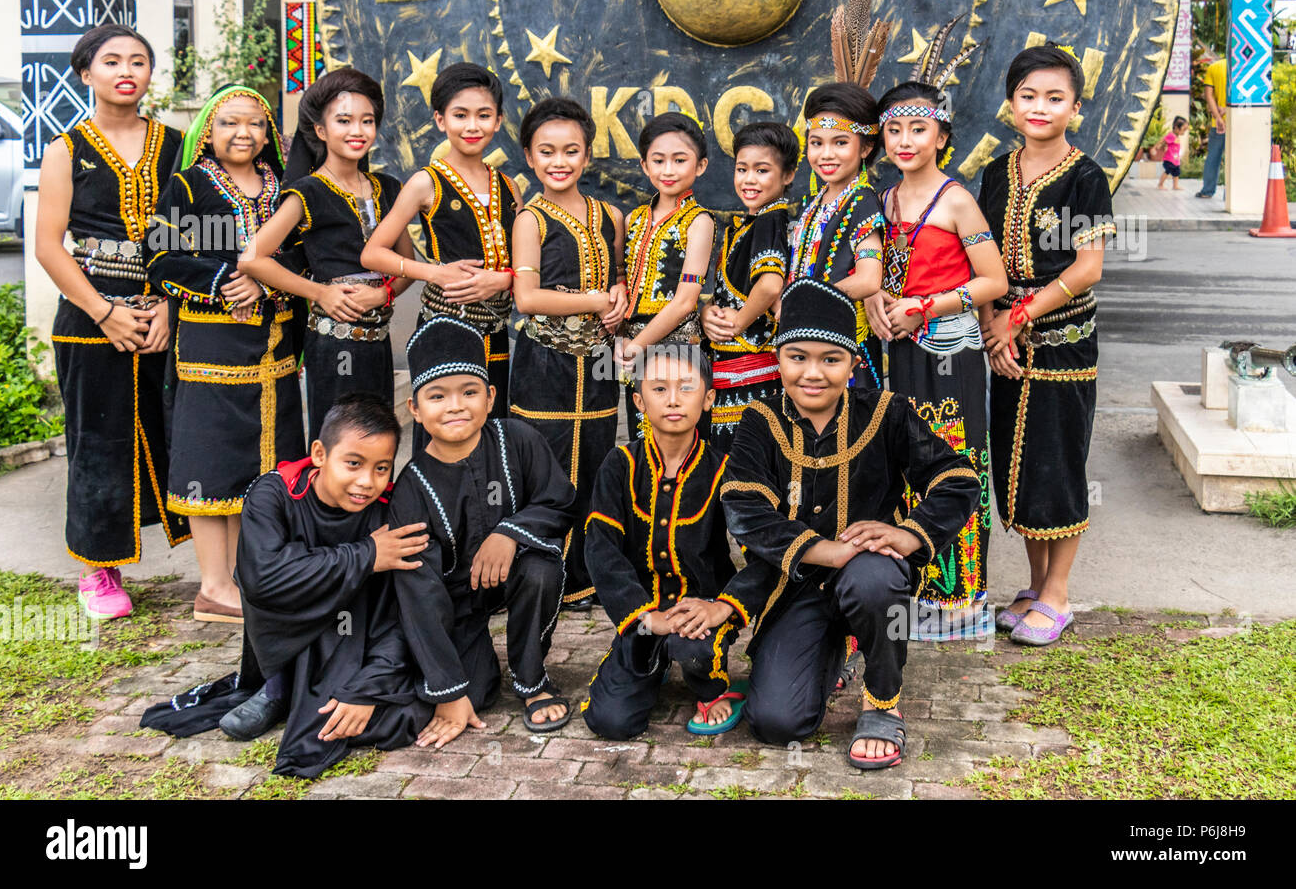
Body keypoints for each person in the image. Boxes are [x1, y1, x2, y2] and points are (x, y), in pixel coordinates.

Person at [685, 280, 979, 769]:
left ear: (851, 363)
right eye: (797, 357)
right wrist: (829, 552)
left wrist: (909, 534)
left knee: (875, 577)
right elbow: (745, 509)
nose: (812, 374)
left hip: (871, 579)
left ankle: (882, 702)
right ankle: (833, 651)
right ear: (778, 358)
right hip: (795, 584)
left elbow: (958, 478)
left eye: (831, 359)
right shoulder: (760, 419)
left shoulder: (887, 413)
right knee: (777, 723)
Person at [141, 393, 436, 778]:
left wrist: (370, 687)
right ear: (318, 454)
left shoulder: (390, 509)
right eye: (353, 463)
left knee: (406, 706)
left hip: (361, 637)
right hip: (284, 627)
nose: (367, 482)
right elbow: (263, 579)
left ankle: (297, 693)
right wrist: (365, 555)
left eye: (382, 468)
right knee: (283, 575)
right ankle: (280, 684)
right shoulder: (273, 493)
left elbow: (411, 607)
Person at [33, 24, 190, 619]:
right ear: (85, 73)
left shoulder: (178, 146)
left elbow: (194, 235)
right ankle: (98, 571)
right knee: (98, 442)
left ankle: (213, 565)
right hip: (89, 316)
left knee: (179, 433)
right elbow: (50, 247)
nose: (127, 69)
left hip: (165, 314)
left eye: (140, 60)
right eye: (112, 60)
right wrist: (104, 313)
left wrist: (172, 305)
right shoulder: (66, 150)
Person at [144, 84, 305, 623]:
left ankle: (245, 579)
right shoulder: (187, 186)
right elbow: (163, 258)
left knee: (261, 464)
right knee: (211, 461)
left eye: (256, 124)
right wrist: (226, 282)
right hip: (210, 347)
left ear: (270, 135)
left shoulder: (285, 188)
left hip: (273, 347)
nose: (243, 134)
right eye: (230, 123)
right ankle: (213, 585)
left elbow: (304, 257)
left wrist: (268, 285)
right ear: (207, 132)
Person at [979, 43, 1115, 646]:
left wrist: (1020, 314)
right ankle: (1034, 585)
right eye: (1028, 96)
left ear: (1074, 107)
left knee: (1058, 465)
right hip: (1006, 342)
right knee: (1019, 466)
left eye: (1054, 98)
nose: (1040, 107)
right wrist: (991, 327)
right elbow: (976, 258)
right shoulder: (994, 174)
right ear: (1011, 103)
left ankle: (1059, 593)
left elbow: (1088, 268)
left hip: (1062, 344)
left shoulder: (1086, 177)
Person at [388, 316, 578, 746]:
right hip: (454, 601)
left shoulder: (518, 439)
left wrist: (509, 532)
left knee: (542, 570)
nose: (455, 406)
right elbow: (419, 592)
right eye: (437, 396)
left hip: (515, 575)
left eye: (469, 392)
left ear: (490, 397)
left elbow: (559, 500)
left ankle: (531, 677)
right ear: (415, 410)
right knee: (474, 694)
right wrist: (448, 690)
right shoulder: (411, 489)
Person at [868, 78, 1007, 638]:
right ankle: (916, 589)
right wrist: (879, 301)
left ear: (942, 135)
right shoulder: (885, 199)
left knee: (954, 462)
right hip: (900, 350)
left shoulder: (957, 200)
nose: (905, 141)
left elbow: (992, 280)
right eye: (894, 130)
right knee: (908, 462)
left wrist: (924, 306)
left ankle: (962, 601)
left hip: (950, 352)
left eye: (918, 129)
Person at [238, 68, 416, 442]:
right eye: (344, 120)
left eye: (367, 121)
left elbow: (406, 265)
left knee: (380, 438)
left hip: (377, 338)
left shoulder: (388, 188)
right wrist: (320, 293)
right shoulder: (308, 192)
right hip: (334, 340)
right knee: (341, 441)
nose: (358, 130)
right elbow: (253, 258)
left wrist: (384, 294)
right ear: (320, 130)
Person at [582, 345, 744, 739]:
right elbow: (601, 549)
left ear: (708, 398)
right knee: (610, 721)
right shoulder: (620, 465)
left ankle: (713, 687)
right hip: (645, 610)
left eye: (686, 388)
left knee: (693, 650)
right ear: (638, 401)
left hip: (700, 612)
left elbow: (760, 552)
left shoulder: (726, 470)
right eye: (658, 389)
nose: (673, 400)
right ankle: (644, 661)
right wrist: (642, 615)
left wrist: (720, 607)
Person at [509, 97, 628, 610]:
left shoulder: (610, 215)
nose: (560, 162)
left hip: (596, 363)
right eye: (547, 152)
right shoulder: (530, 221)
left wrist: (619, 296)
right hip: (544, 363)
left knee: (597, 463)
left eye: (571, 151)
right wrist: (597, 300)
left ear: (587, 155)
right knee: (546, 465)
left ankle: (586, 574)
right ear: (530, 159)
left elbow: (618, 277)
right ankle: (540, 573)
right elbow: (527, 298)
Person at [361, 62, 519, 413]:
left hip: (495, 330)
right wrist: (435, 273)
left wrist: (504, 279)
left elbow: (525, 262)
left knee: (491, 420)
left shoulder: (509, 186)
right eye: (460, 115)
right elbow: (373, 254)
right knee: (447, 422)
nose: (472, 126)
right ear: (440, 120)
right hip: (444, 326)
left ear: (498, 120)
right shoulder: (426, 182)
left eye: (483, 115)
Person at [701, 121, 796, 456]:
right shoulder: (755, 222)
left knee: (743, 464)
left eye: (762, 170)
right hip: (738, 371)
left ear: (788, 176)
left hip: (751, 373)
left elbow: (770, 285)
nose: (749, 179)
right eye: (742, 169)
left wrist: (738, 322)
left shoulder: (770, 219)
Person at [618, 112, 715, 438]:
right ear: (644, 165)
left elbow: (686, 301)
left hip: (678, 346)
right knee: (642, 435)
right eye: (658, 161)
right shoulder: (634, 218)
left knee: (677, 433)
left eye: (679, 160)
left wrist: (635, 347)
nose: (668, 170)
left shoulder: (699, 221)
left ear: (700, 166)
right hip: (631, 341)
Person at [787, 83, 885, 388]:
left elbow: (869, 279)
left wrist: (808, 300)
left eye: (840, 143)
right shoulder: (812, 203)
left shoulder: (862, 201)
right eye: (816, 143)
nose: (826, 154)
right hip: (807, 339)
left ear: (866, 147)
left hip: (844, 347)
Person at [1197, 54, 1227, 199]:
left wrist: (1218, 117)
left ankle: (1207, 191)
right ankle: (1230, 194)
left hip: (1218, 124)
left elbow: (1208, 96)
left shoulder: (1214, 67)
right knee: (1234, 159)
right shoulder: (1241, 68)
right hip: (1238, 122)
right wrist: (1228, 109)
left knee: (1213, 157)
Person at [1158, 116, 1189, 191]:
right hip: (1169, 159)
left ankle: (1175, 186)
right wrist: (1157, 146)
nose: (1184, 132)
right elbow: (1163, 140)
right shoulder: (1171, 135)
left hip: (1175, 160)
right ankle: (1160, 184)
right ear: (1176, 128)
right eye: (1183, 130)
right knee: (1167, 171)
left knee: (1176, 173)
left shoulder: (1176, 136)